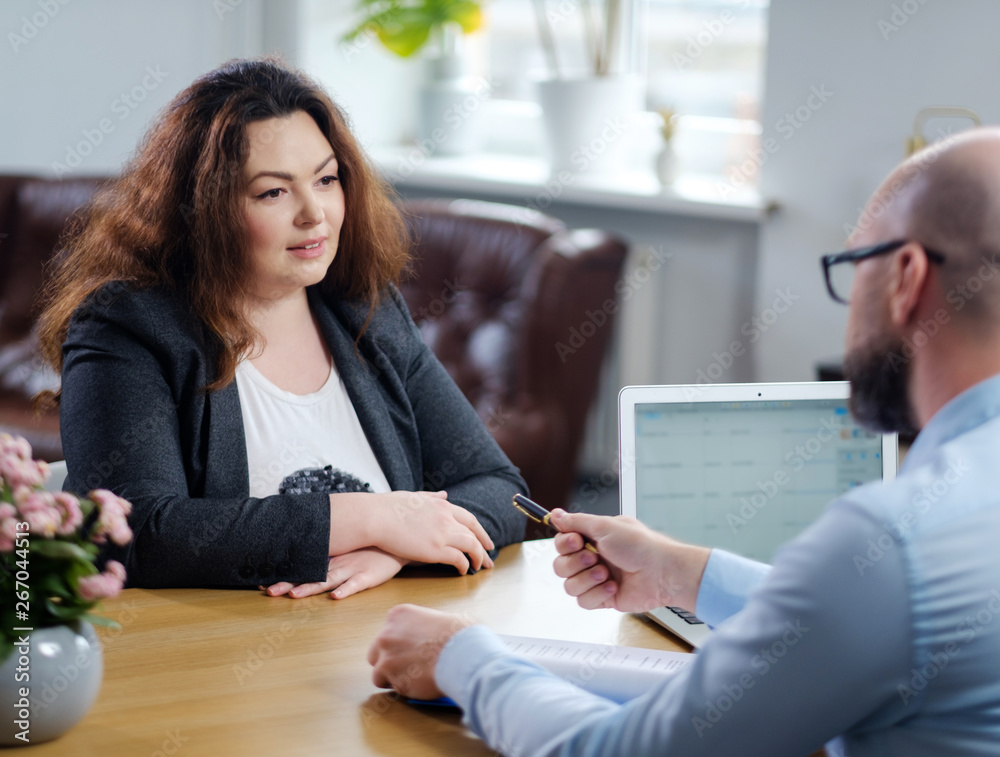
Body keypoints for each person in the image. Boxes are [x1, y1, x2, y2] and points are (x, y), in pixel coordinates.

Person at [368, 127, 1000, 754]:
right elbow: (863, 618)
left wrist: (463, 659)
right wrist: (685, 576)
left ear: (905, 278)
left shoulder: (892, 542)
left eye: (854, 264)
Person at [36, 58, 527, 598]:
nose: (314, 213)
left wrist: (391, 550)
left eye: (326, 179)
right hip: (225, 660)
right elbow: (136, 535)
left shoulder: (367, 310)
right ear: (205, 209)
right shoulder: (126, 328)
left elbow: (502, 490)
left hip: (385, 644)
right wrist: (373, 519)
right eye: (274, 192)